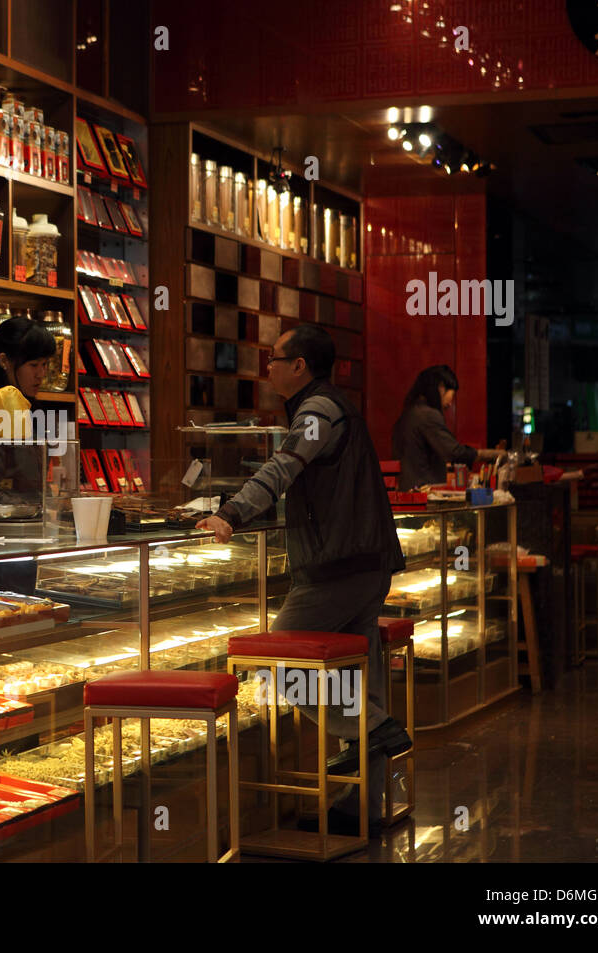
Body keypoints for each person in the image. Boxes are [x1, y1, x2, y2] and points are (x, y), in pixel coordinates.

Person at [196, 324, 409, 835]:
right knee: (359, 683)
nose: (266, 367)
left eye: (274, 359)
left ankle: (376, 730)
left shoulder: (318, 412)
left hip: (337, 567)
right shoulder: (328, 407)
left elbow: (284, 465)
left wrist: (231, 513)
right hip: (364, 564)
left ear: (300, 366)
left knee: (274, 659)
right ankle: (359, 809)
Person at [0, 316, 58, 593]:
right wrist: (43, 509)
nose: (41, 374)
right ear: (5, 361)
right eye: (33, 365)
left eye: (45, 365)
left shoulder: (32, 413)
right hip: (0, 553)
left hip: (30, 546)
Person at [392, 365, 502, 490]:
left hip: (409, 489)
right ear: (441, 387)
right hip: (422, 491)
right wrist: (493, 455)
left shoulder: (410, 412)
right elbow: (454, 452)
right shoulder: (427, 415)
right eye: (452, 395)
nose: (450, 403)